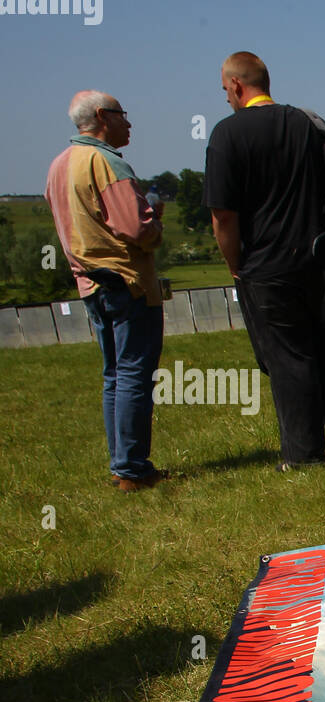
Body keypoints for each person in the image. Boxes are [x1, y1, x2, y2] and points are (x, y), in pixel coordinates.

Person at [203, 51, 325, 471]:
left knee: (288, 357)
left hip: (266, 265)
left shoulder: (228, 134)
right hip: (321, 258)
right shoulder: (308, 124)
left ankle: (303, 453)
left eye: (226, 90)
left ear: (237, 86)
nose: (226, 98)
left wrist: (234, 262)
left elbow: (222, 214)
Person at [45, 91, 168, 492]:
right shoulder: (106, 162)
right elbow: (136, 229)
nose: (128, 123)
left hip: (89, 283)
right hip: (125, 281)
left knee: (113, 375)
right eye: (122, 115)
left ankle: (122, 464)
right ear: (102, 116)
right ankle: (132, 468)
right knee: (134, 373)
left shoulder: (58, 166)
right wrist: (153, 213)